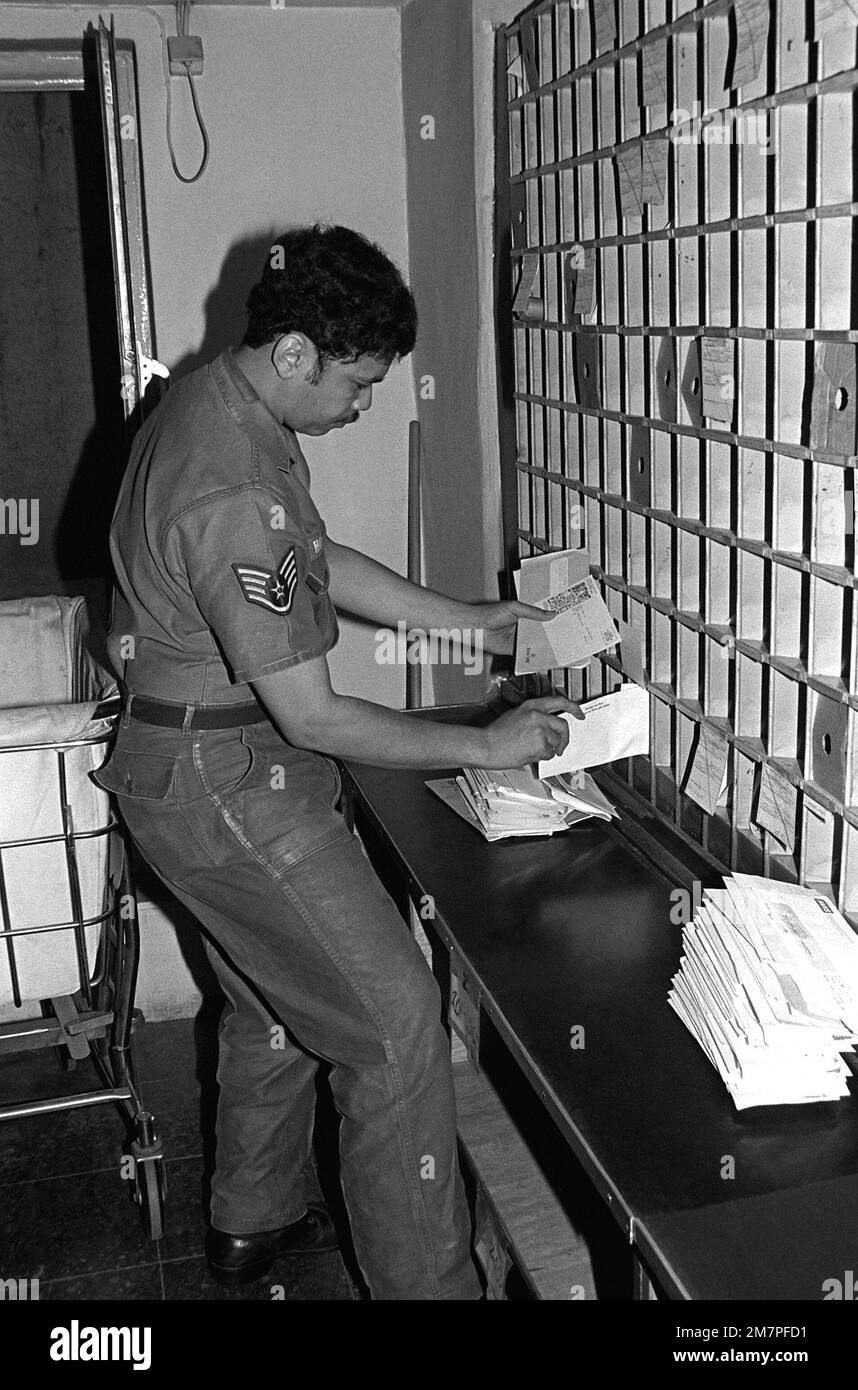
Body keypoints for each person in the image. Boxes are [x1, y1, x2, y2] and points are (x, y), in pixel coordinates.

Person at [95, 224, 580, 1300]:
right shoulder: (228, 483)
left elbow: (316, 555)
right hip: (224, 786)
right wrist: (487, 742)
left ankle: (248, 1222)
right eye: (359, 383)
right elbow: (317, 717)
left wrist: (477, 625)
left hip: (202, 765)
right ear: (300, 353)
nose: (365, 406)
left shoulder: (229, 405)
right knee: (394, 1026)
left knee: (280, 994)